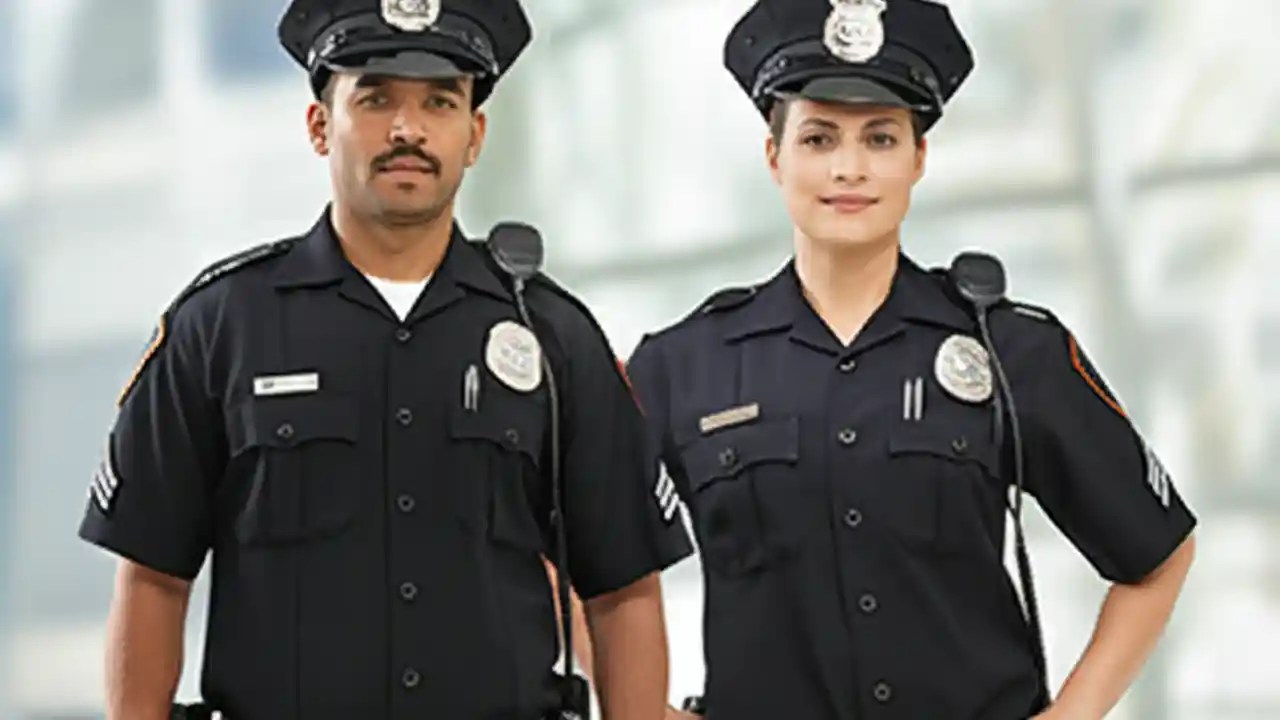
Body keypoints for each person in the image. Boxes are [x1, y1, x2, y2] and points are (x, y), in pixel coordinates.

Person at [77, 1, 692, 718]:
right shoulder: (220, 327)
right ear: (318, 127)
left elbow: (621, 588)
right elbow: (153, 577)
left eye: (440, 101)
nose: (408, 129)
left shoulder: (556, 336)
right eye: (374, 99)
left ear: (475, 134)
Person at [625, 0, 1199, 718]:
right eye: (819, 138)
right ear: (775, 157)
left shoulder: (1010, 349)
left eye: (881, 138)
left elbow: (1157, 552)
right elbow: (570, 554)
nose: (849, 168)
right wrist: (639, 709)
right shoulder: (684, 365)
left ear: (919, 157)